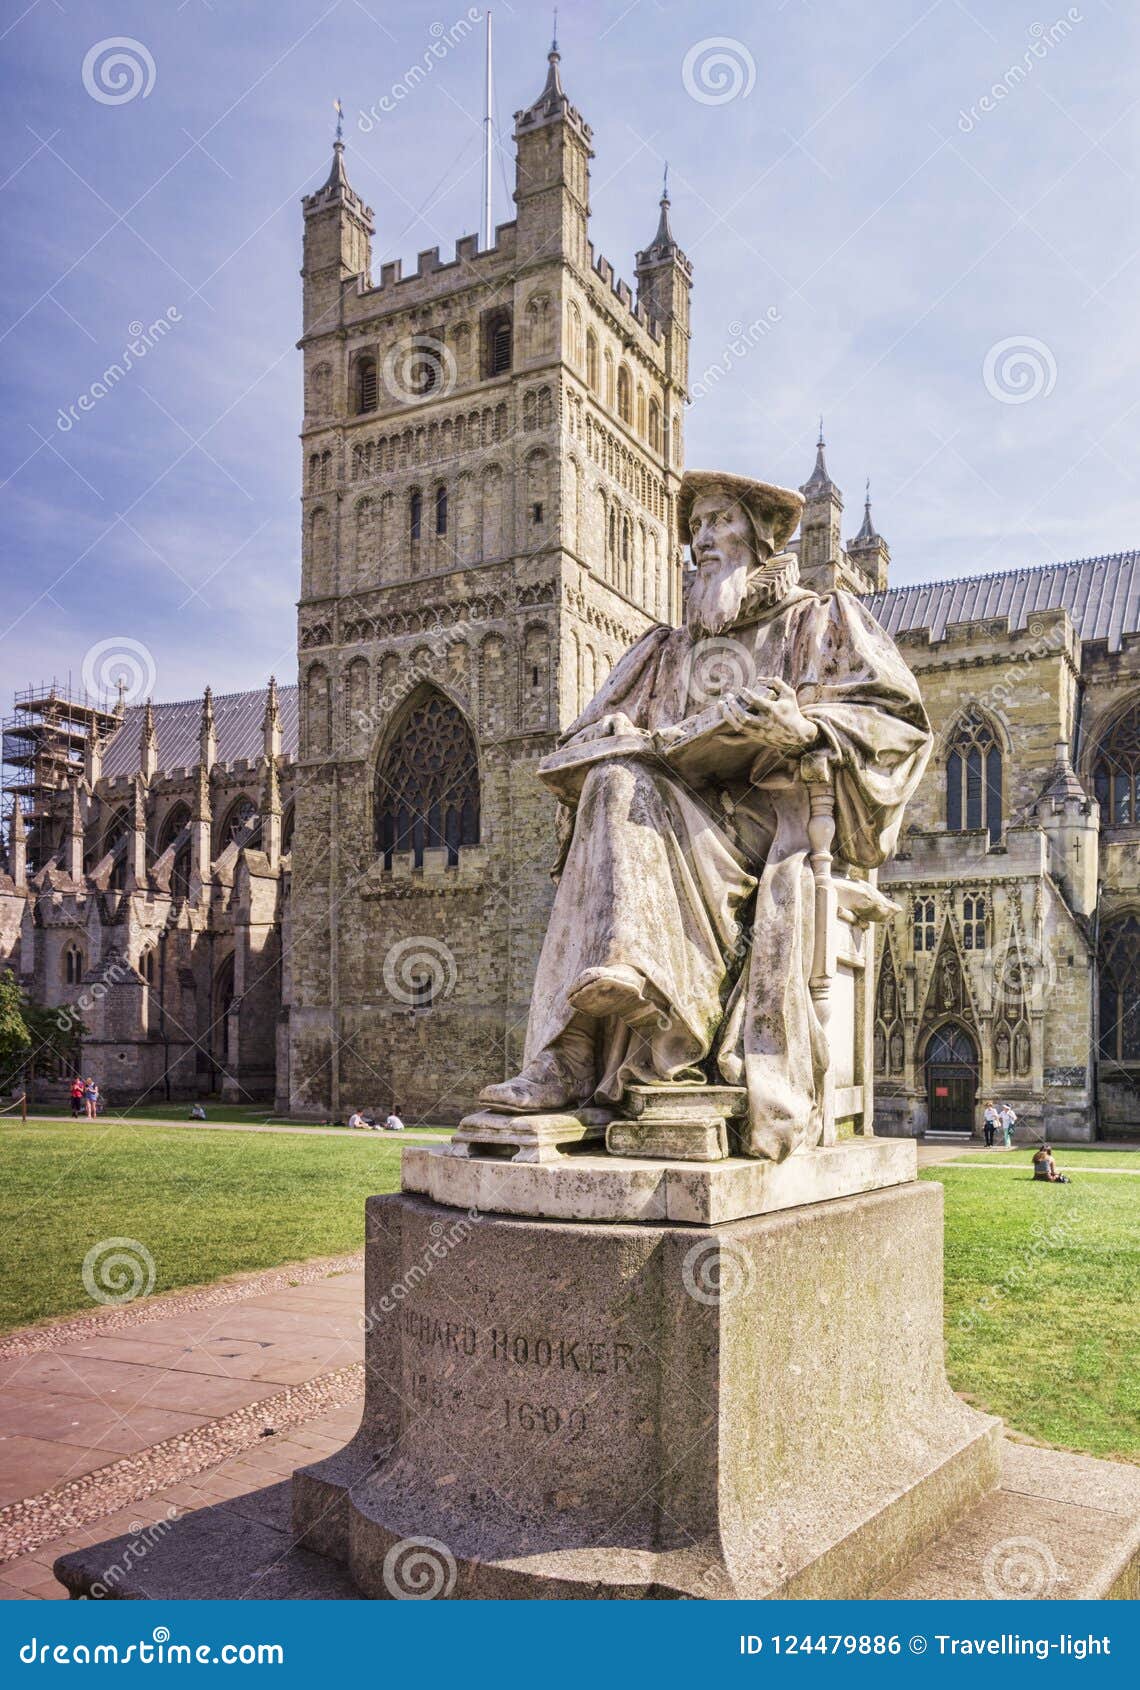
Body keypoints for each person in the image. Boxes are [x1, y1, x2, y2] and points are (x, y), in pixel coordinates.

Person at [476, 469, 932, 1161]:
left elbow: (898, 722)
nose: (703, 542)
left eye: (719, 522)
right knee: (613, 778)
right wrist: (622, 736)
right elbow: (578, 740)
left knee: (623, 793)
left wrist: (803, 728)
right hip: (667, 824)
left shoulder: (820, 620)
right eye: (694, 530)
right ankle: (568, 1047)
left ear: (761, 534)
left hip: (768, 833)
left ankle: (609, 1025)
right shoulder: (664, 650)